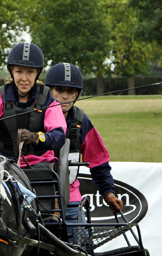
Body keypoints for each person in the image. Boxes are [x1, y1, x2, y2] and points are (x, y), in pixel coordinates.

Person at [44, 62, 123, 231]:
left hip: (70, 199)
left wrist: (108, 193)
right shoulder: (35, 117)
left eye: (70, 91)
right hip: (35, 198)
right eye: (59, 90)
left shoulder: (81, 122)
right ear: (49, 91)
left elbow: (98, 159)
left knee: (81, 247)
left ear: (78, 94)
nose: (65, 96)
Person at [0, 42, 66, 168]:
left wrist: (36, 137)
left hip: (39, 165)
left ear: (37, 73)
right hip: (2, 164)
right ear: (12, 72)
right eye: (19, 71)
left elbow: (59, 135)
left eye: (30, 72)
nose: (24, 78)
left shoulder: (48, 100)